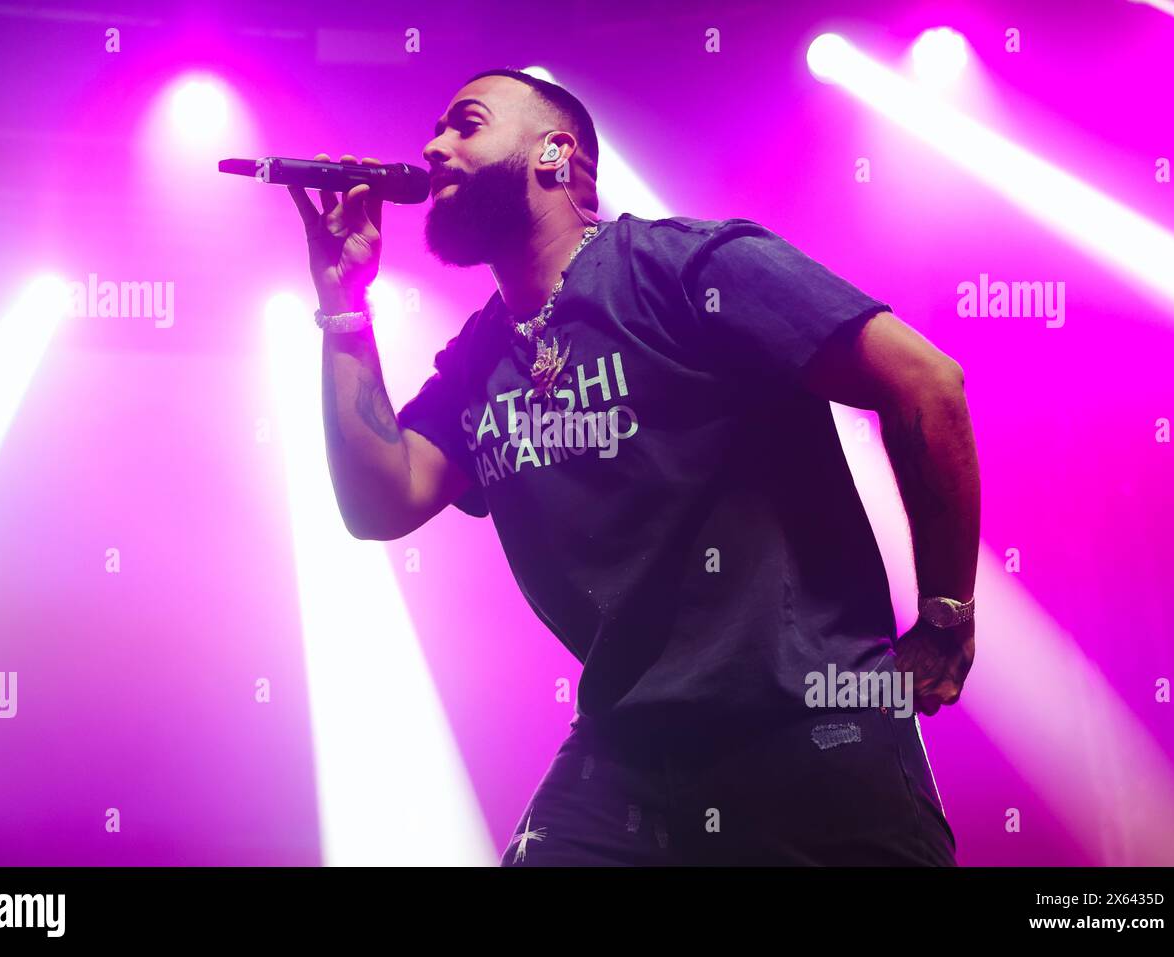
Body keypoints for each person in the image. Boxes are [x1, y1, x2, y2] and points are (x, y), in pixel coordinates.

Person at [287, 68, 979, 866]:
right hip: (626, 746)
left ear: (555, 154)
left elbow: (927, 384)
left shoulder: (688, 270)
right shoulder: (480, 356)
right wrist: (343, 304)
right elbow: (384, 498)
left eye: (465, 124)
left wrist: (946, 614)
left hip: (806, 723)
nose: (433, 146)